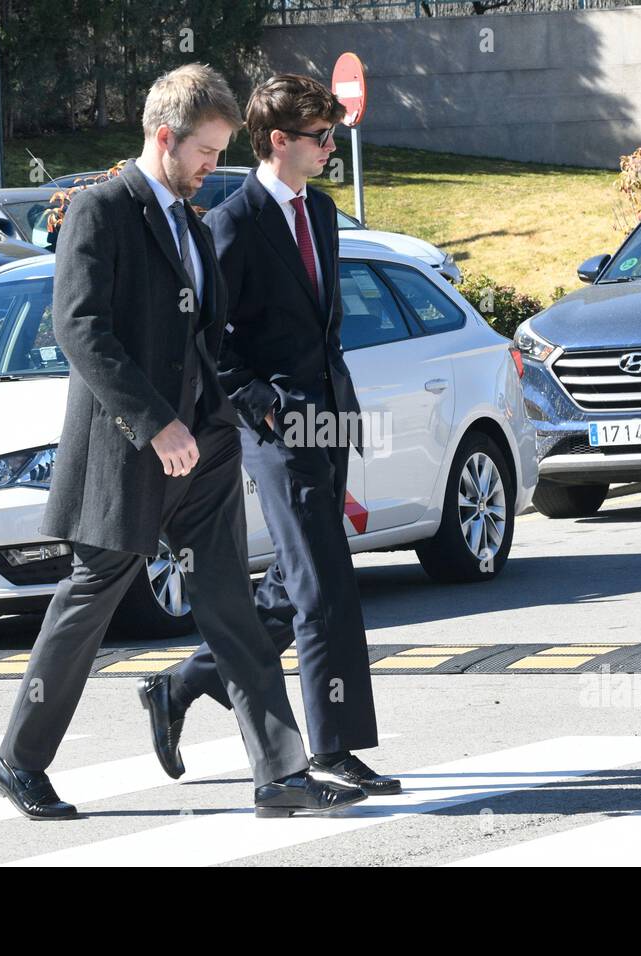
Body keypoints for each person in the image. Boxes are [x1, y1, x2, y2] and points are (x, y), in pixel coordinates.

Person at [0, 64, 365, 821]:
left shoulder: (194, 225)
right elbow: (81, 329)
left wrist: (218, 421)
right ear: (166, 137)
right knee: (89, 602)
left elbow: (205, 341)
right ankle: (17, 761)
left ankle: (281, 775)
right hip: (126, 451)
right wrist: (154, 420)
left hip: (205, 449)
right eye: (206, 152)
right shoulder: (102, 210)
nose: (214, 167)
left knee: (230, 607)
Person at [139, 74, 400, 796]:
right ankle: (333, 747)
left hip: (330, 418)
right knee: (323, 587)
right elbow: (209, 339)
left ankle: (182, 683)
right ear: (278, 140)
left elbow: (322, 323)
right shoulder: (233, 222)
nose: (330, 148)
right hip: (276, 426)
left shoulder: (321, 212)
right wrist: (263, 405)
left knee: (290, 586)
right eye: (320, 136)